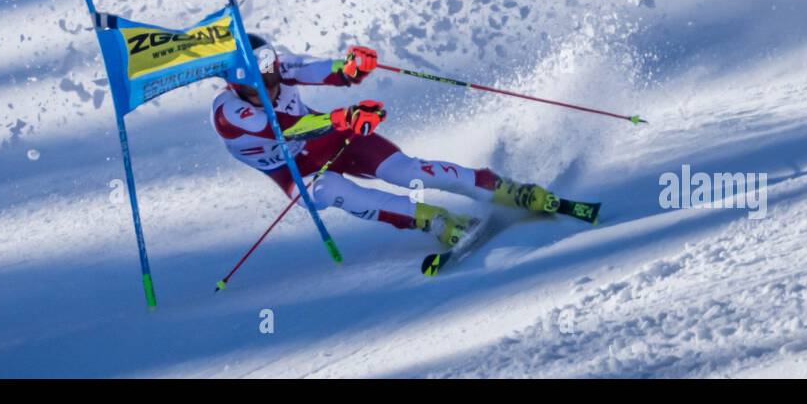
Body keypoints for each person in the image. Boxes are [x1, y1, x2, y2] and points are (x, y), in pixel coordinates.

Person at [209, 35, 565, 248]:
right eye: (259, 91)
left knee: (405, 170)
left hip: (331, 141)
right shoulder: (228, 113)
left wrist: (349, 67)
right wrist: (342, 117)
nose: (270, 92)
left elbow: (317, 69)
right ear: (238, 88)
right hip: (294, 172)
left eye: (272, 83)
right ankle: (432, 219)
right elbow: (284, 127)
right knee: (325, 191)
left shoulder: (279, 68)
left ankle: (504, 189)